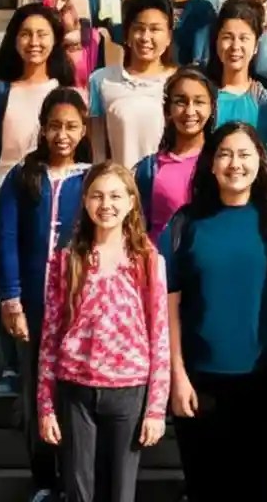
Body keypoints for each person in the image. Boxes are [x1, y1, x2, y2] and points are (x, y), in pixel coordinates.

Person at [161, 122, 267, 502]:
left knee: (254, 488)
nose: (235, 164)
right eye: (225, 154)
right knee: (205, 488)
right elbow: (169, 303)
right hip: (199, 381)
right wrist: (176, 375)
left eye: (245, 154)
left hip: (265, 380)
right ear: (211, 164)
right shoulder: (186, 223)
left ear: (259, 163)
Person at [36, 162, 171, 502]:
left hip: (128, 389)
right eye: (97, 195)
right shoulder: (67, 260)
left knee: (120, 492)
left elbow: (160, 334)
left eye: (114, 196)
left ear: (130, 202)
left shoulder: (147, 260)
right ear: (85, 201)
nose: (106, 204)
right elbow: (51, 333)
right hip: (76, 388)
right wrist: (46, 405)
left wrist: (156, 408)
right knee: (80, 489)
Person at [0, 87, 92, 502]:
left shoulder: (92, 178)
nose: (62, 135)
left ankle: (75, 477)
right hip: (33, 301)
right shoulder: (23, 176)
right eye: (54, 126)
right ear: (43, 129)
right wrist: (11, 297)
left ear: (84, 129)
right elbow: (7, 237)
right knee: (38, 388)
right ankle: (43, 480)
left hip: (80, 304)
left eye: (71, 127)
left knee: (74, 391)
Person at [0, 4, 73, 395]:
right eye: (26, 34)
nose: (34, 42)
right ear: (14, 40)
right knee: (7, 279)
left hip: (53, 186)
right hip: (7, 188)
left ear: (54, 41)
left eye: (42, 34)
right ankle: (12, 367)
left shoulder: (65, 90)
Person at [87, 0, 177, 168]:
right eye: (139, 29)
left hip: (166, 185)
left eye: (155, 29)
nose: (145, 37)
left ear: (168, 37)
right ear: (127, 34)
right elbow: (97, 148)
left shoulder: (179, 82)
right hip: (120, 185)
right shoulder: (101, 80)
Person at [133, 67, 217, 243]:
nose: (189, 111)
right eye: (181, 102)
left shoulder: (220, 162)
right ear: (167, 109)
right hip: (162, 264)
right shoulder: (149, 169)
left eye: (199, 102)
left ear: (212, 107)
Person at [206, 0, 267, 153]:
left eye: (243, 38)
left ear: (255, 47)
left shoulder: (266, 102)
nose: (235, 46)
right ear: (216, 42)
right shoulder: (204, 97)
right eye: (227, 37)